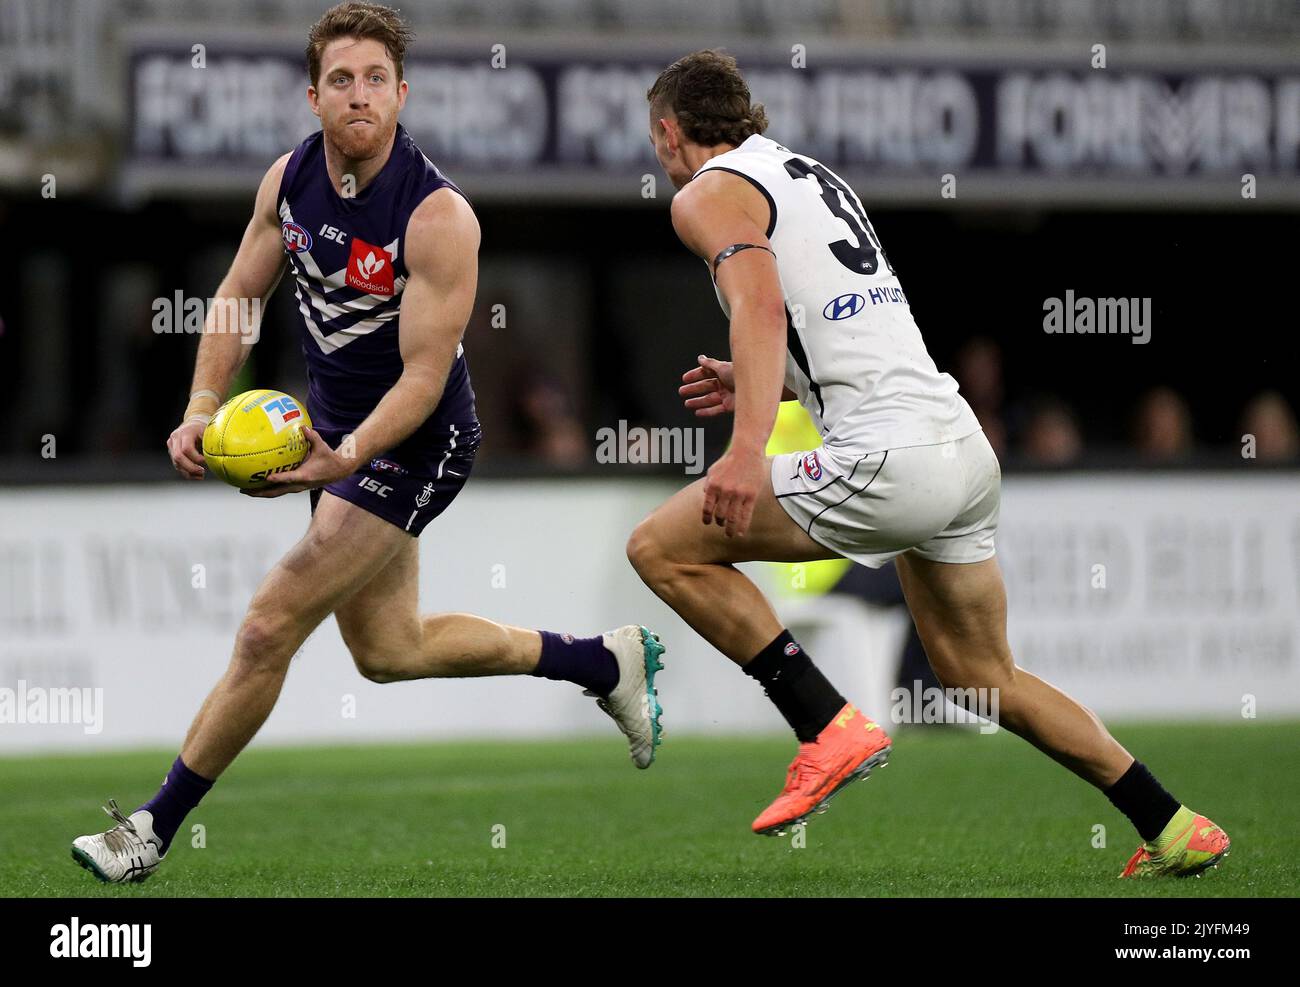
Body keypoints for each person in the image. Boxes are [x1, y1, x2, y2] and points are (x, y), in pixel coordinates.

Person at [70, 2, 664, 885]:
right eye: (341, 80)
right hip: (336, 442)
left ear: (401, 93)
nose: (359, 96)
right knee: (387, 652)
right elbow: (237, 295)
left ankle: (150, 829)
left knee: (269, 625)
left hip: (417, 442)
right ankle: (600, 660)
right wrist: (201, 403)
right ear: (313, 96)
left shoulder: (437, 217)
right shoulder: (288, 181)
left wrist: (345, 457)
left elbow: (423, 380)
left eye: (375, 80)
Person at [626, 49, 1228, 877]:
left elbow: (761, 306)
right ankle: (1170, 822)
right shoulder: (805, 173)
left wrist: (744, 450)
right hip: (960, 448)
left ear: (668, 131)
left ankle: (825, 723)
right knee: (984, 674)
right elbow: (835, 319)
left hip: (889, 459)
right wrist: (775, 379)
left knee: (659, 547)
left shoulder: (704, 194)